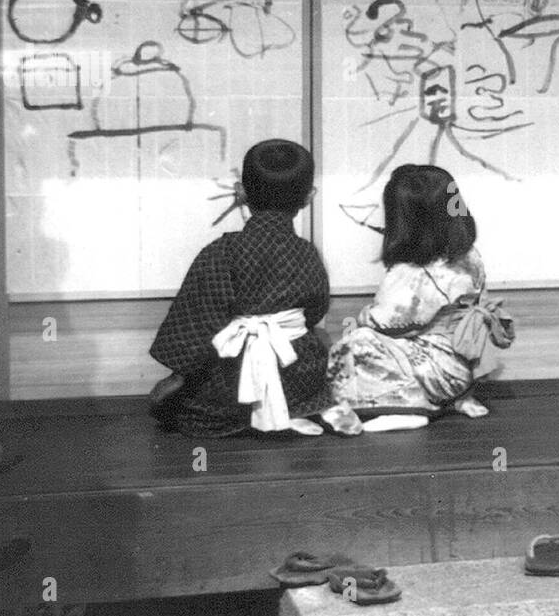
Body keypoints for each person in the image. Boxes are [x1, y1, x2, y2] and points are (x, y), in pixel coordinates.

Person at [148, 139, 330, 437]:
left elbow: (196, 319)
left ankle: (255, 415)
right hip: (295, 373)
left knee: (176, 410)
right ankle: (294, 409)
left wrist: (178, 375)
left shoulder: (223, 251)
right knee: (313, 362)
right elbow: (315, 310)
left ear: (241, 192)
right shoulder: (307, 252)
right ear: (309, 197)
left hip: (230, 380)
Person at [322, 164, 514, 435]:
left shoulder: (413, 272)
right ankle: (451, 400)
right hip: (464, 370)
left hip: (435, 372)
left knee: (354, 344)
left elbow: (385, 322)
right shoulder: (469, 255)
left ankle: (405, 408)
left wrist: (365, 316)